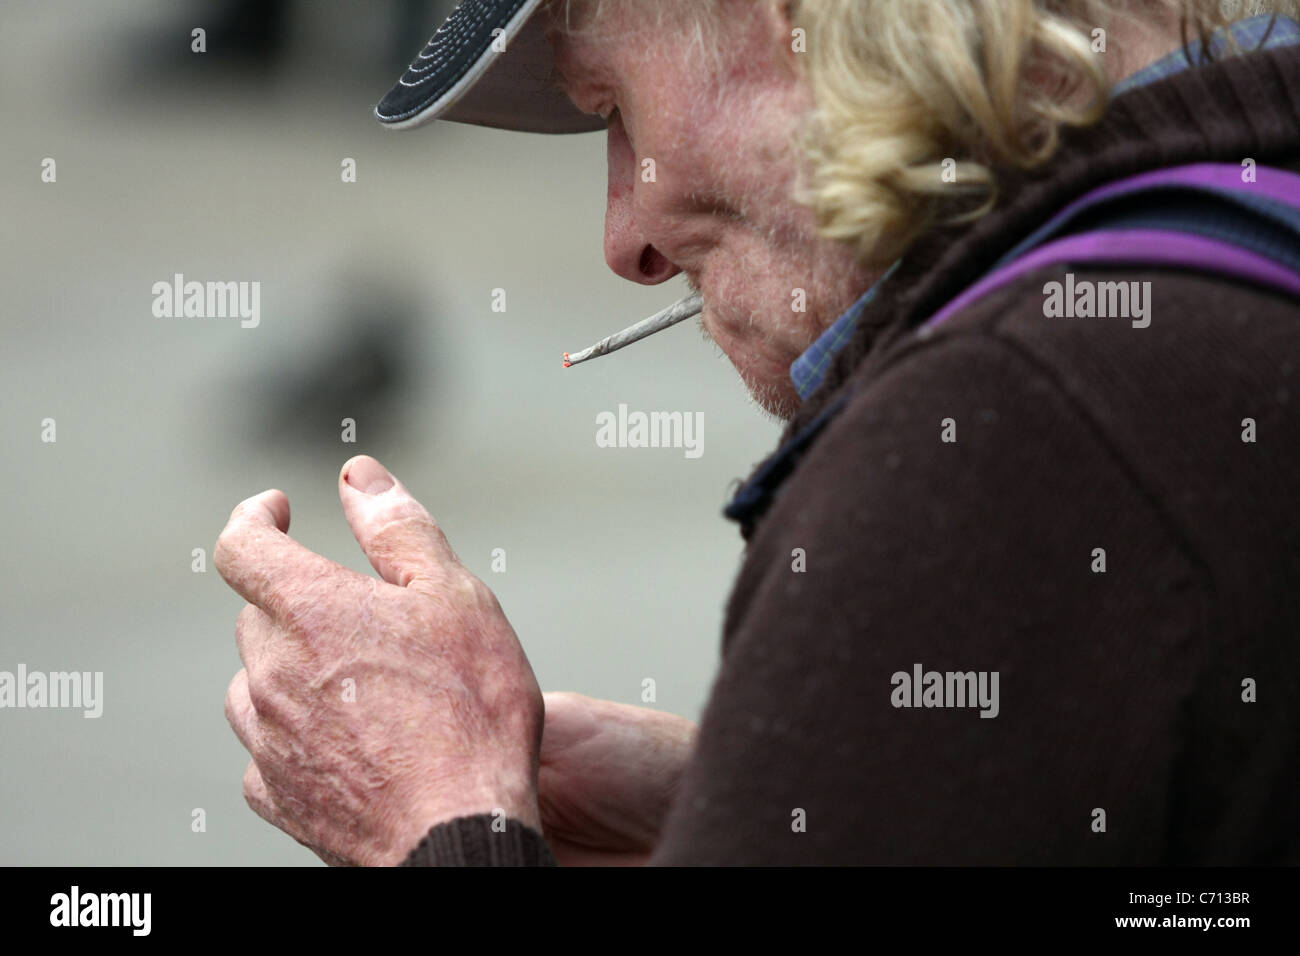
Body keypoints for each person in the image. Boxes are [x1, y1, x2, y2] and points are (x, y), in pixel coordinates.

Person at [215, 0, 1300, 865]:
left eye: (614, 108)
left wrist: (439, 820)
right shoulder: (1244, 237)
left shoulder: (994, 432)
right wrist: (777, 792)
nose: (625, 239)